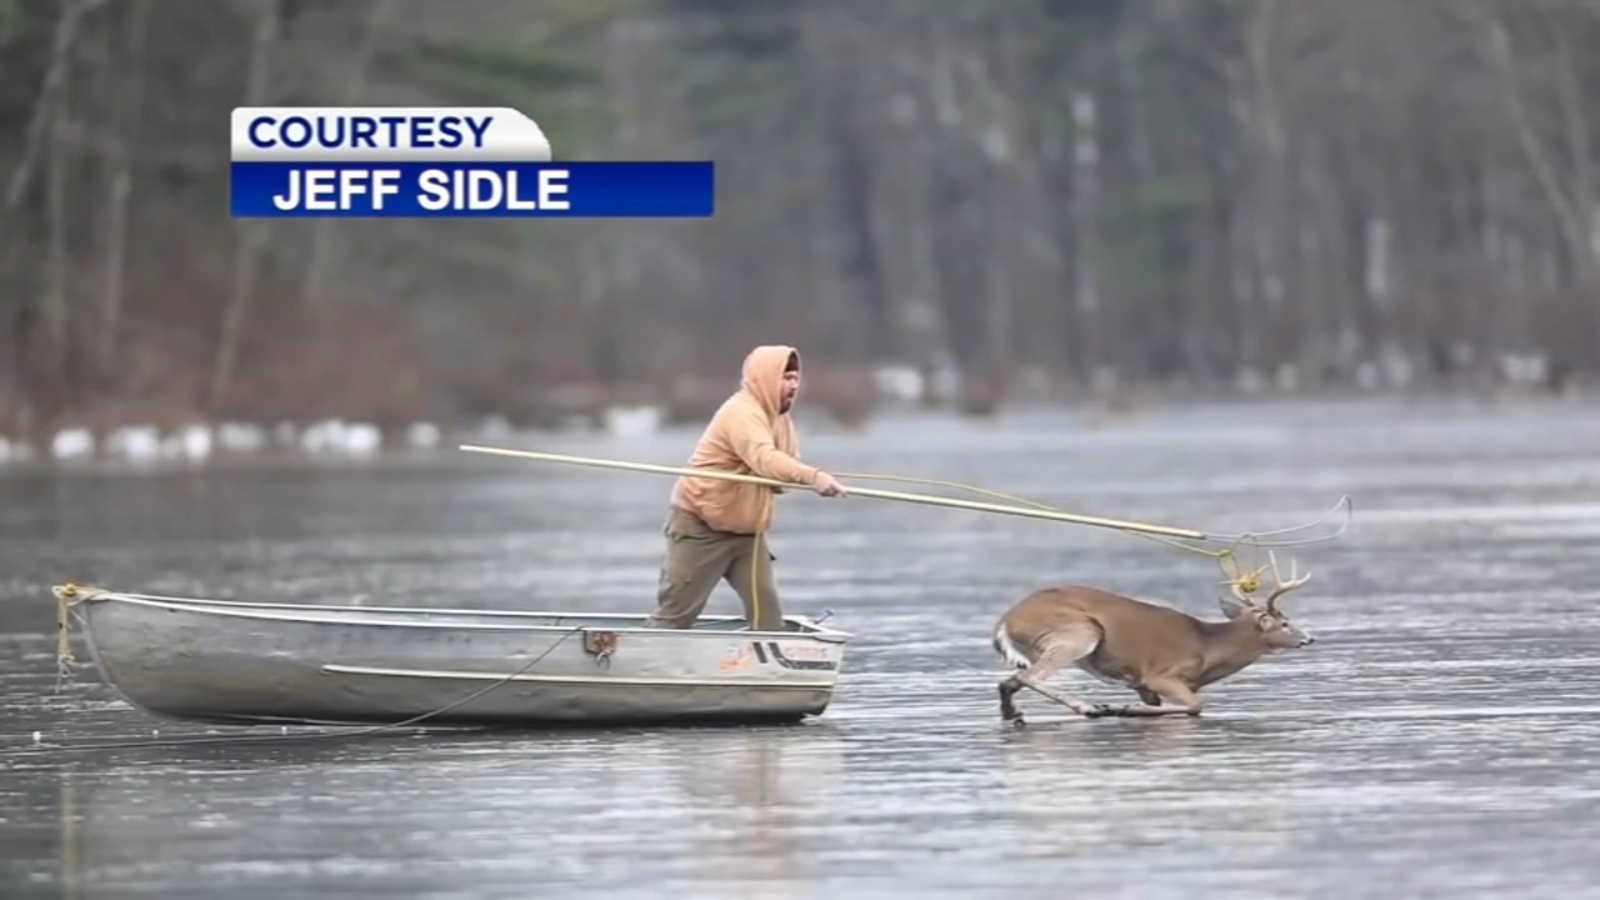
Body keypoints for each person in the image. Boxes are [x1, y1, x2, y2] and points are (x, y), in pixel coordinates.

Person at [643, 345, 847, 631]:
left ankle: (772, 670)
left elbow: (782, 469)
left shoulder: (780, 420)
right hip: (701, 528)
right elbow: (765, 459)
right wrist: (814, 477)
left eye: (796, 378)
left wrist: (811, 478)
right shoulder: (741, 413)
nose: (793, 385)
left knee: (768, 617)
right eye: (785, 377)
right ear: (764, 377)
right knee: (676, 617)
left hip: (748, 535)